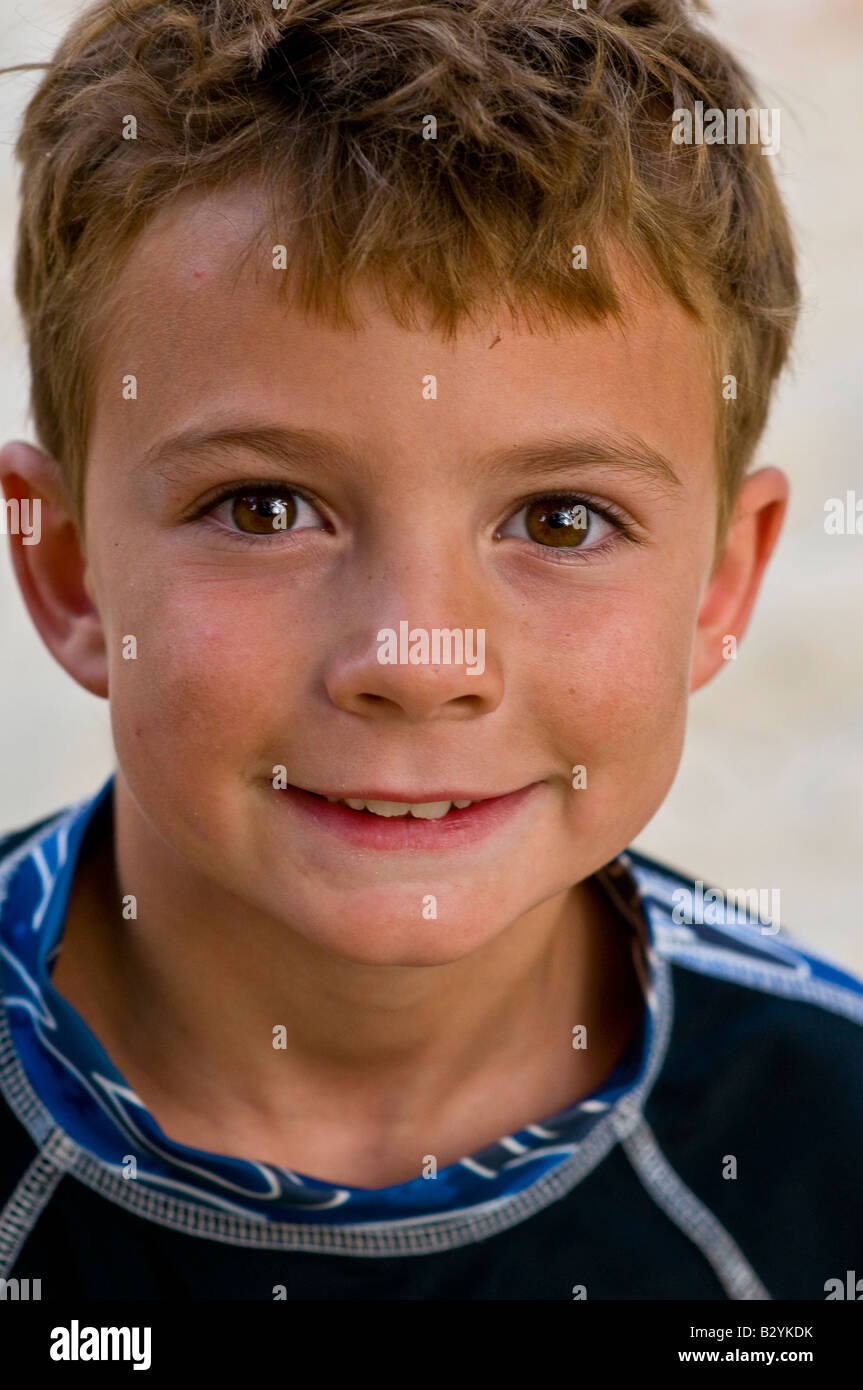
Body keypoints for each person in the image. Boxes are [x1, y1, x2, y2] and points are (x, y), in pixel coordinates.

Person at [0, 0, 859, 1301]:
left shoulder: (829, 1153)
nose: (415, 654)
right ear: (65, 566)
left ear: (719, 585)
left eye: (562, 519)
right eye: (264, 507)